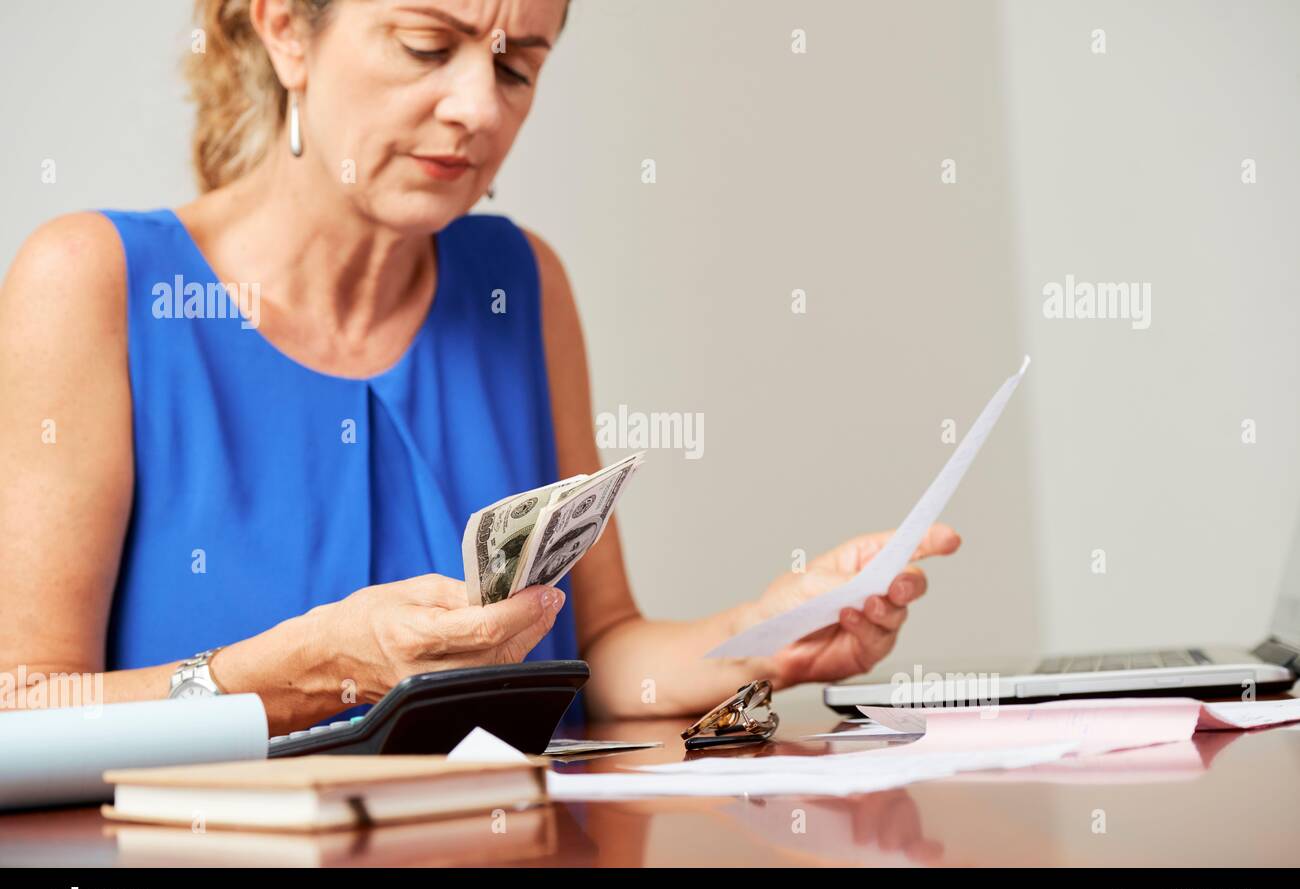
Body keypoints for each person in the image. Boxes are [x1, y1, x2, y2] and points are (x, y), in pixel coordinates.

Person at [0, 0, 960, 735]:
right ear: (288, 31)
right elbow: (24, 710)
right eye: (428, 48)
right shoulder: (95, 283)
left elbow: (605, 647)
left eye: (518, 66)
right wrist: (300, 669)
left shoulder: (521, 282)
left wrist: (764, 633)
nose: (475, 107)